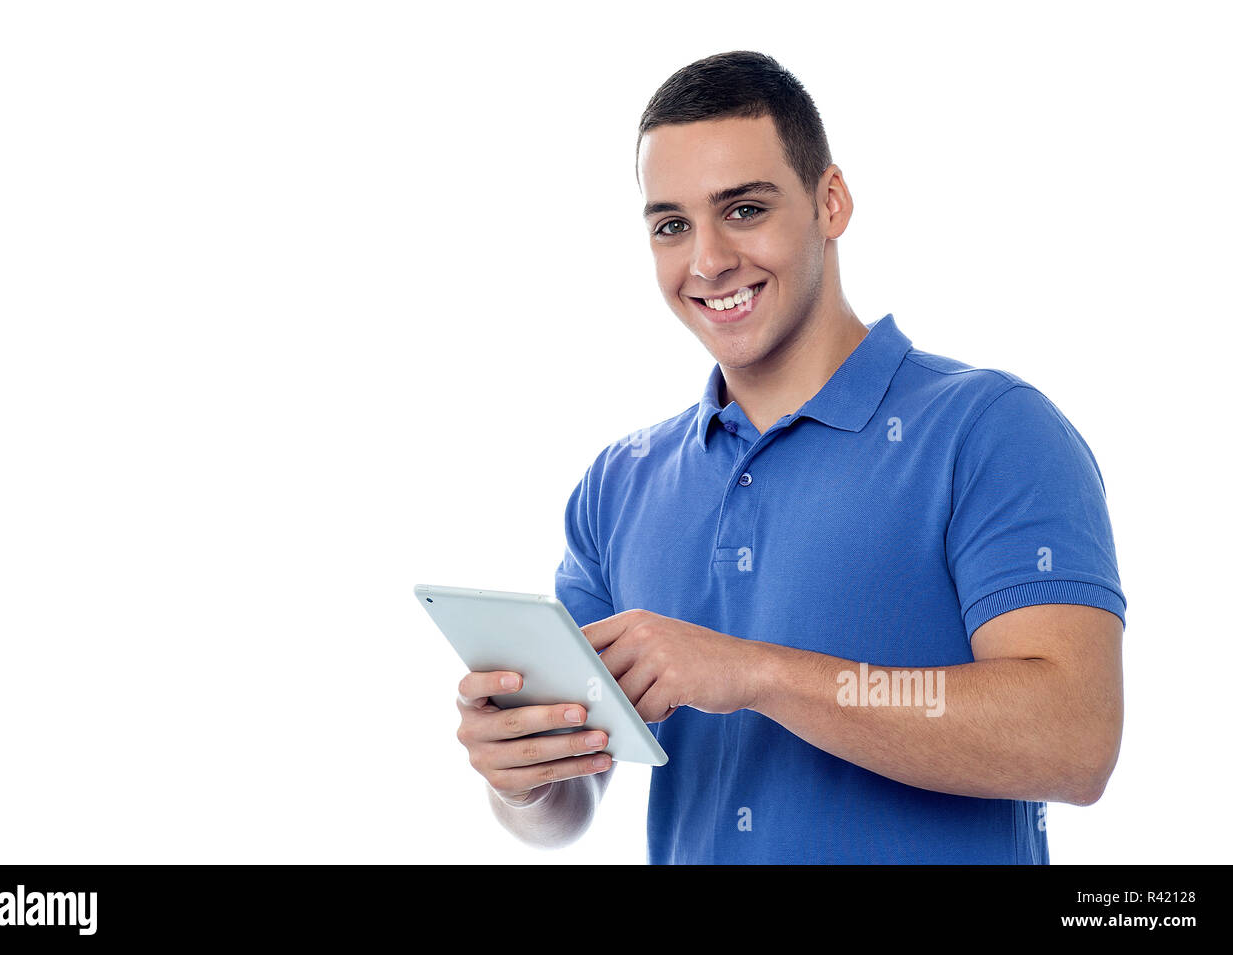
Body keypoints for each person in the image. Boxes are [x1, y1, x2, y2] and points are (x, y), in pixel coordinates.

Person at [454, 50, 1126, 864]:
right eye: (671, 224)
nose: (707, 261)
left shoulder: (991, 429)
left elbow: (1073, 739)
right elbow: (569, 802)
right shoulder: (617, 484)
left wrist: (756, 673)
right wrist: (521, 777)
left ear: (830, 202)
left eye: (743, 209)